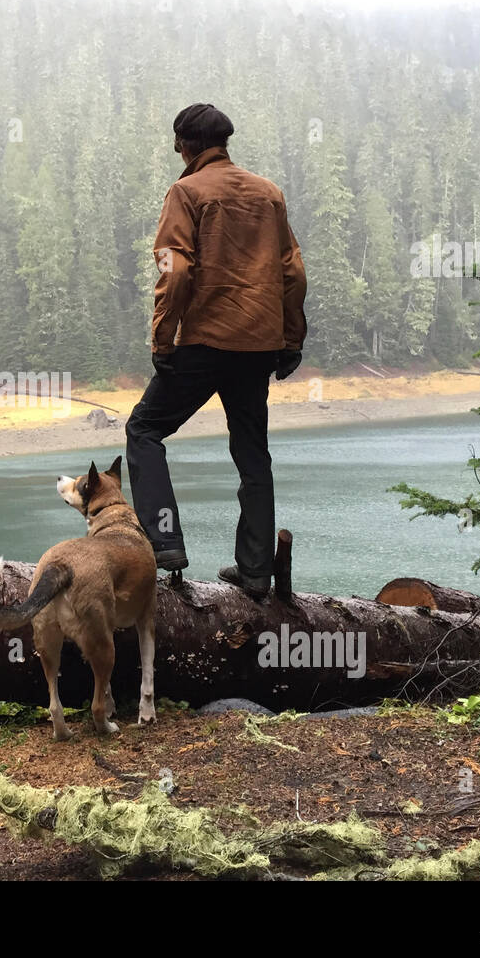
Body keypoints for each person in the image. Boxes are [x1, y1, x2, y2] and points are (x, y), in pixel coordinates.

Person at [125, 103, 307, 599]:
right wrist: (291, 340)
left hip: (205, 341)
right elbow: (293, 273)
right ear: (222, 142)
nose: (175, 152)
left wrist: (163, 338)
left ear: (187, 145)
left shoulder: (186, 192)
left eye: (176, 143)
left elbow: (175, 268)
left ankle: (164, 542)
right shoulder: (269, 195)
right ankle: (255, 572)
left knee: (144, 429)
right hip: (258, 346)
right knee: (252, 456)